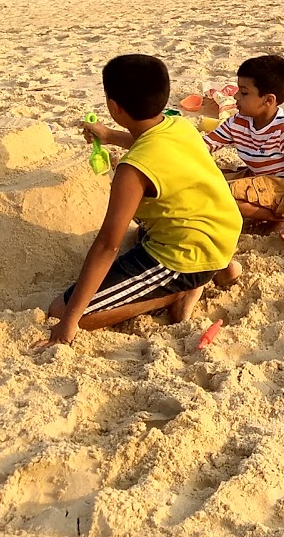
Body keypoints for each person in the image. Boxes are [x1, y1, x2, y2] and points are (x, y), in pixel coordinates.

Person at [56, 54, 242, 345]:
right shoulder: (178, 125)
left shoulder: (131, 172)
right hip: (224, 231)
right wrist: (109, 136)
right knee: (147, 225)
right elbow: (150, 142)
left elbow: (108, 244)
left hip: (186, 256)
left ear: (113, 107)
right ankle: (219, 269)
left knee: (63, 309)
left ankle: (177, 292)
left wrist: (68, 323)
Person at [200, 55, 284, 241]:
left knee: (221, 195)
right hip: (257, 178)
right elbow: (207, 144)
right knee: (206, 182)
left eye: (244, 92)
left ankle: (280, 216)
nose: (235, 97)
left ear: (268, 100)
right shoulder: (238, 121)